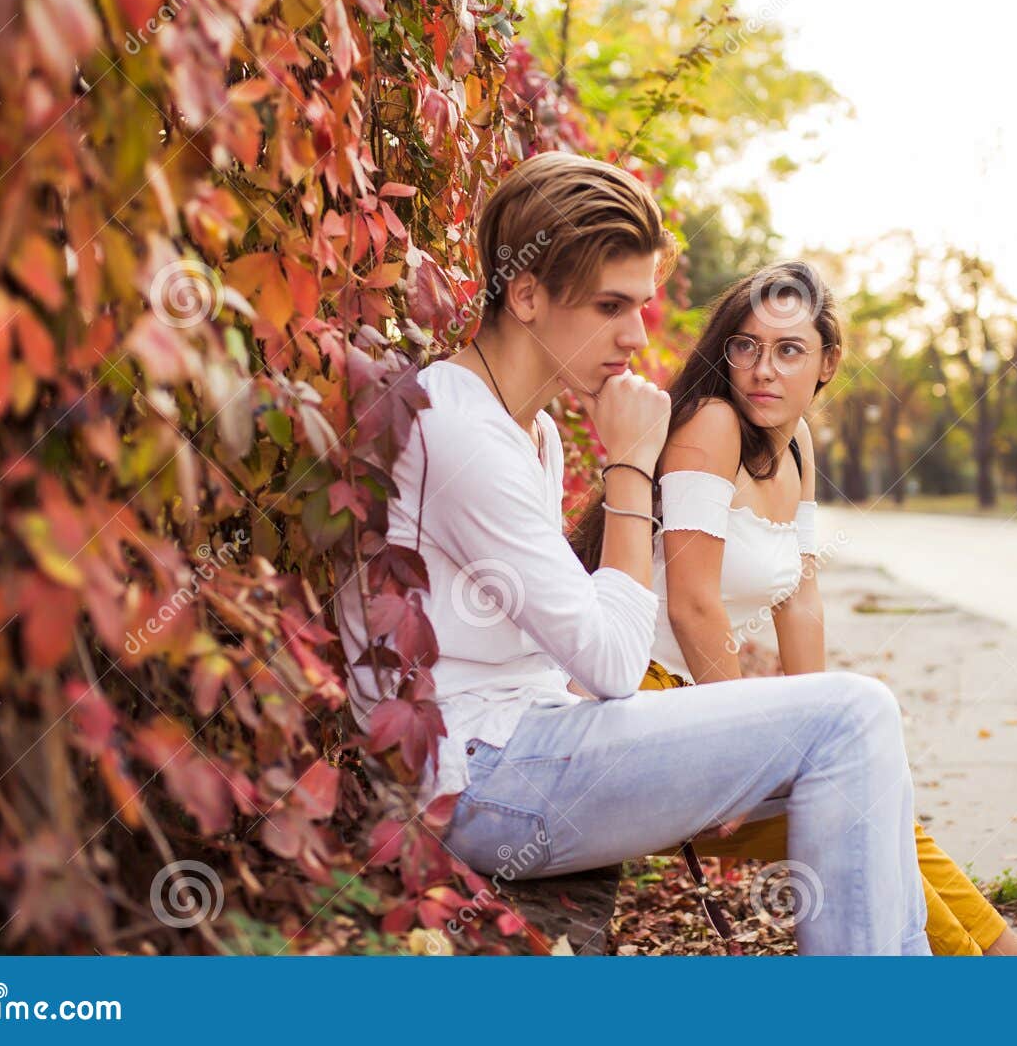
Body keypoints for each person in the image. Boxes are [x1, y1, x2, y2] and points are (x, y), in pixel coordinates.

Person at [337, 151, 929, 954]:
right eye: (611, 305)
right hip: (476, 784)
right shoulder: (459, 428)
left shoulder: (529, 427)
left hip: (537, 742)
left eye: (643, 305)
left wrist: (702, 750)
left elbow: (579, 663)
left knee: (864, 735)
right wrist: (628, 465)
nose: (635, 337)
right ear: (526, 294)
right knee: (853, 713)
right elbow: (616, 661)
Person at [572, 261, 1017, 956]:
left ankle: (1005, 967)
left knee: (871, 791)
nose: (763, 369)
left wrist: (817, 725)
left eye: (789, 350)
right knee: (859, 811)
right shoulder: (712, 424)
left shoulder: (796, 445)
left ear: (827, 363)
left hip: (685, 702)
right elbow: (694, 606)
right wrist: (740, 748)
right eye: (746, 346)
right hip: (634, 700)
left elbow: (801, 595)